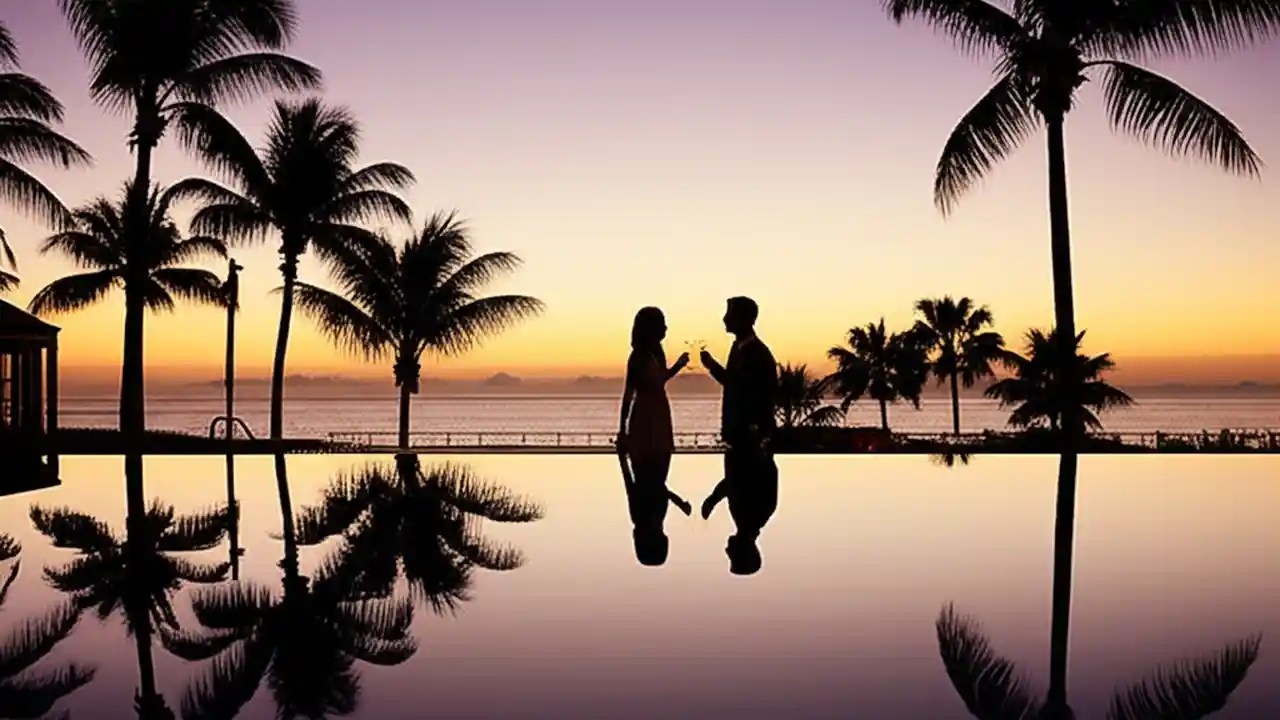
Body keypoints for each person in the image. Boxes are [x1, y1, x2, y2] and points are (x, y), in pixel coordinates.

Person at [699, 297, 778, 521]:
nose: (725, 318)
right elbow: (733, 383)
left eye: (729, 313)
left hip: (749, 436)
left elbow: (763, 395)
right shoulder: (739, 348)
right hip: (739, 435)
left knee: (744, 483)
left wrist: (756, 432)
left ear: (743, 319)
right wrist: (712, 366)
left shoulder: (758, 354)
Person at [616, 307, 688, 464]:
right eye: (661, 324)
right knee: (650, 463)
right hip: (646, 414)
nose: (665, 328)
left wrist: (678, 366)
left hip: (656, 410)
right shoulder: (639, 356)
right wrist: (623, 430)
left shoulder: (655, 353)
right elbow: (630, 392)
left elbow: (658, 379)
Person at [616, 451, 692, 566]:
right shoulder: (645, 517)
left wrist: (680, 503)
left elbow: (658, 491)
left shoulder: (645, 517)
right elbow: (632, 485)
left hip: (649, 461)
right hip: (649, 460)